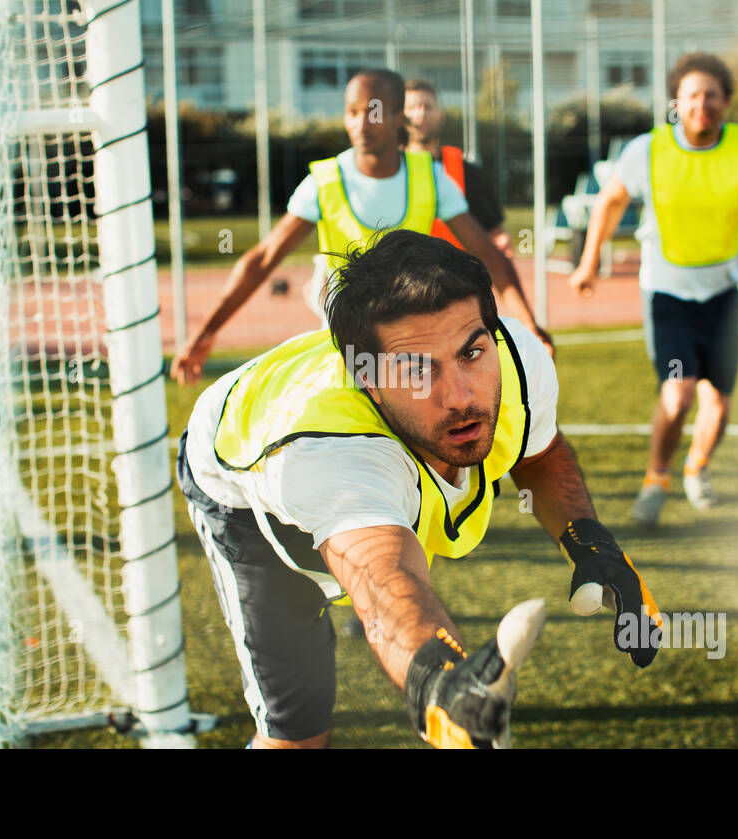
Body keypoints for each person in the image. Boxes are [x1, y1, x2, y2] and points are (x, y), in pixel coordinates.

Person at [177, 231, 661, 749]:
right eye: (415, 370)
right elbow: (382, 579)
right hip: (236, 479)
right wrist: (437, 681)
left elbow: (536, 450)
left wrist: (586, 536)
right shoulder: (331, 456)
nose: (460, 396)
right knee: (296, 730)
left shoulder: (516, 356)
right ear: (370, 384)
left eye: (471, 353)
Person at [170, 69, 551, 385]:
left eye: (374, 111)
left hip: (414, 352)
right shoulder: (324, 182)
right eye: (352, 111)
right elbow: (263, 259)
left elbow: (488, 255)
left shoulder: (431, 179)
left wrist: (531, 325)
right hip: (348, 354)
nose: (361, 122)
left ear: (400, 116)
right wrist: (206, 332)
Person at [566, 52, 738, 525]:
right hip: (667, 294)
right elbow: (611, 202)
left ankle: (697, 468)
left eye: (712, 94)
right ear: (677, 101)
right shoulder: (647, 150)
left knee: (720, 403)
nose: (702, 104)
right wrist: (589, 262)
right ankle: (657, 478)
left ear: (726, 101)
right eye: (692, 95)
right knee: (678, 392)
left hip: (723, 295)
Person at [403, 78, 513, 258]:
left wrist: (500, 245)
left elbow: (497, 233)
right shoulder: (388, 172)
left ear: (441, 115)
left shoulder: (465, 172)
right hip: (404, 281)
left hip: (455, 281)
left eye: (427, 107)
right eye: (412, 107)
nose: (420, 114)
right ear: (400, 116)